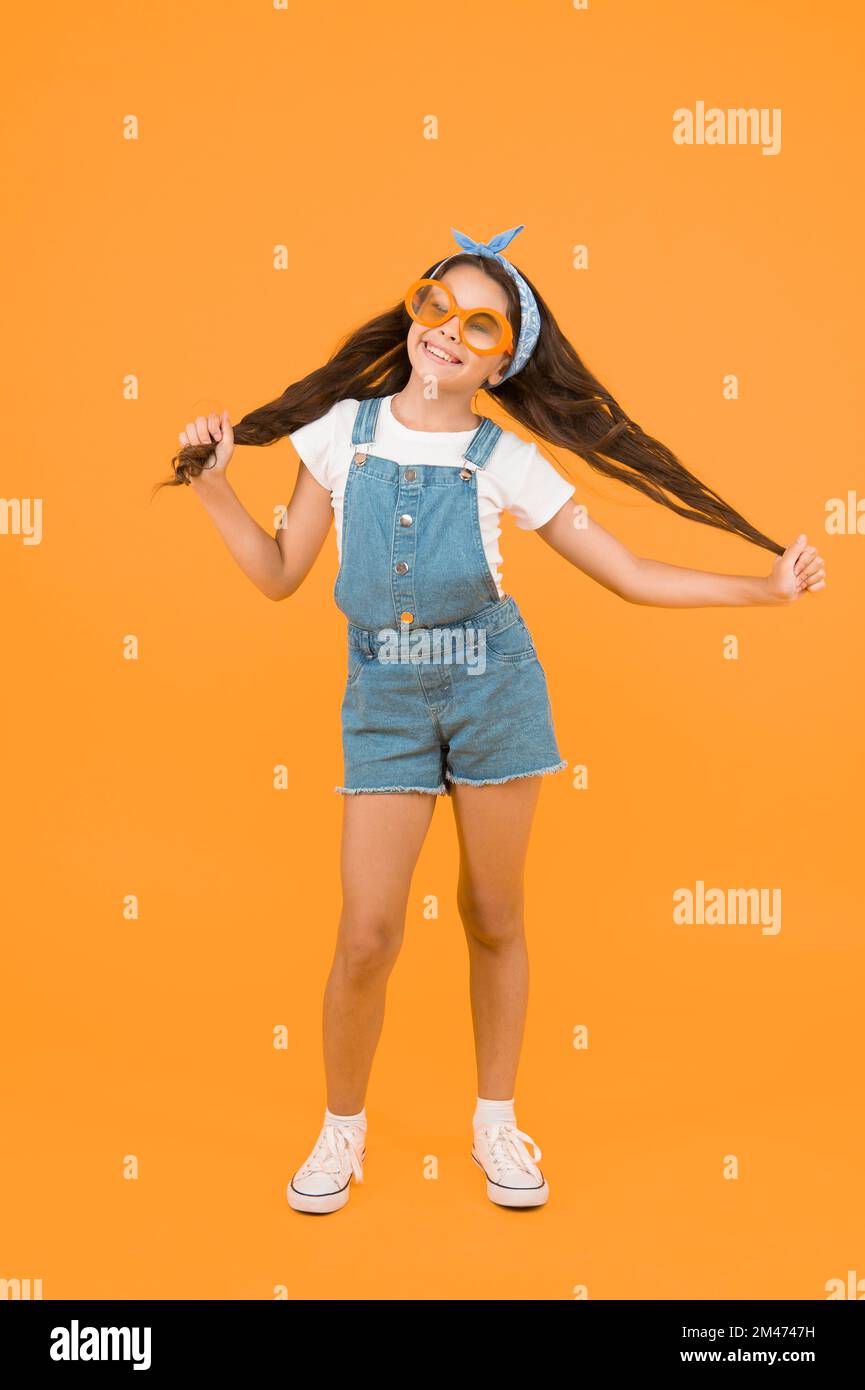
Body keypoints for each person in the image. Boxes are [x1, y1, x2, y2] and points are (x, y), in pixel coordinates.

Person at [156, 225, 826, 1214]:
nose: (449, 331)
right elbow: (278, 574)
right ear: (413, 309)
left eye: (481, 324)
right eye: (438, 304)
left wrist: (762, 591)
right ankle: (340, 1134)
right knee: (368, 930)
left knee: (492, 913)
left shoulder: (506, 459)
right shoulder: (339, 430)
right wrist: (212, 487)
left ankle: (495, 1123)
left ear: (503, 358)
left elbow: (629, 574)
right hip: (382, 696)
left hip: (491, 688)